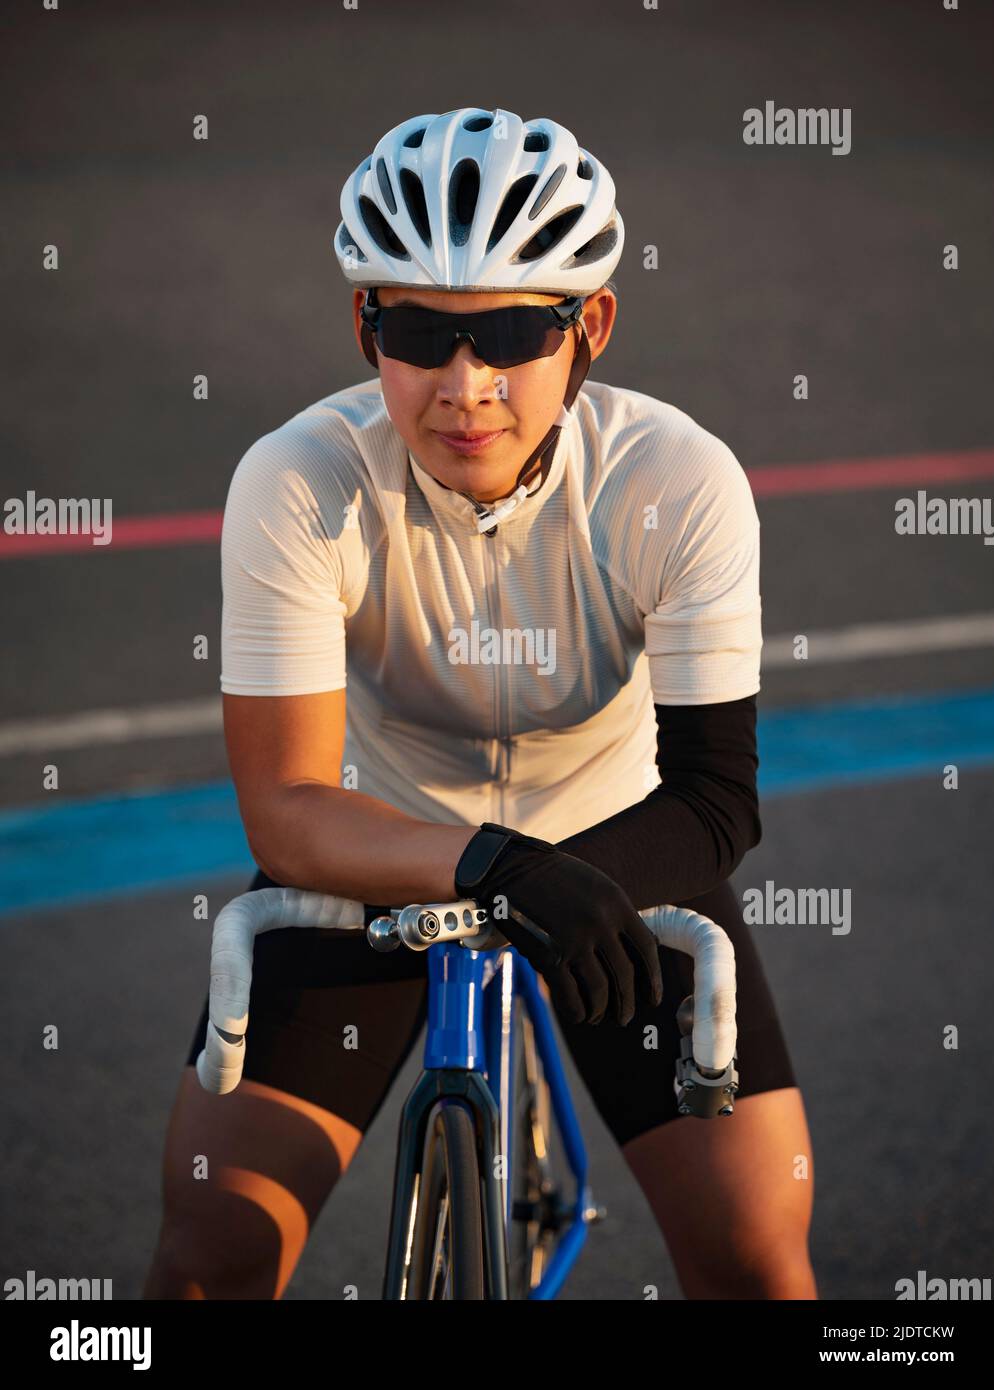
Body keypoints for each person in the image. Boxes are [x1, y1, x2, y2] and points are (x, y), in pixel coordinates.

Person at [143, 107, 817, 1300]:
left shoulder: (676, 479)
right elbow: (288, 807)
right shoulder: (297, 483)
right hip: (380, 849)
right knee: (210, 1262)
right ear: (365, 325)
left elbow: (716, 798)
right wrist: (493, 866)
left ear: (588, 325)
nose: (466, 389)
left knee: (756, 1265)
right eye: (421, 333)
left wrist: (559, 880)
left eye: (511, 334)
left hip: (617, 859)